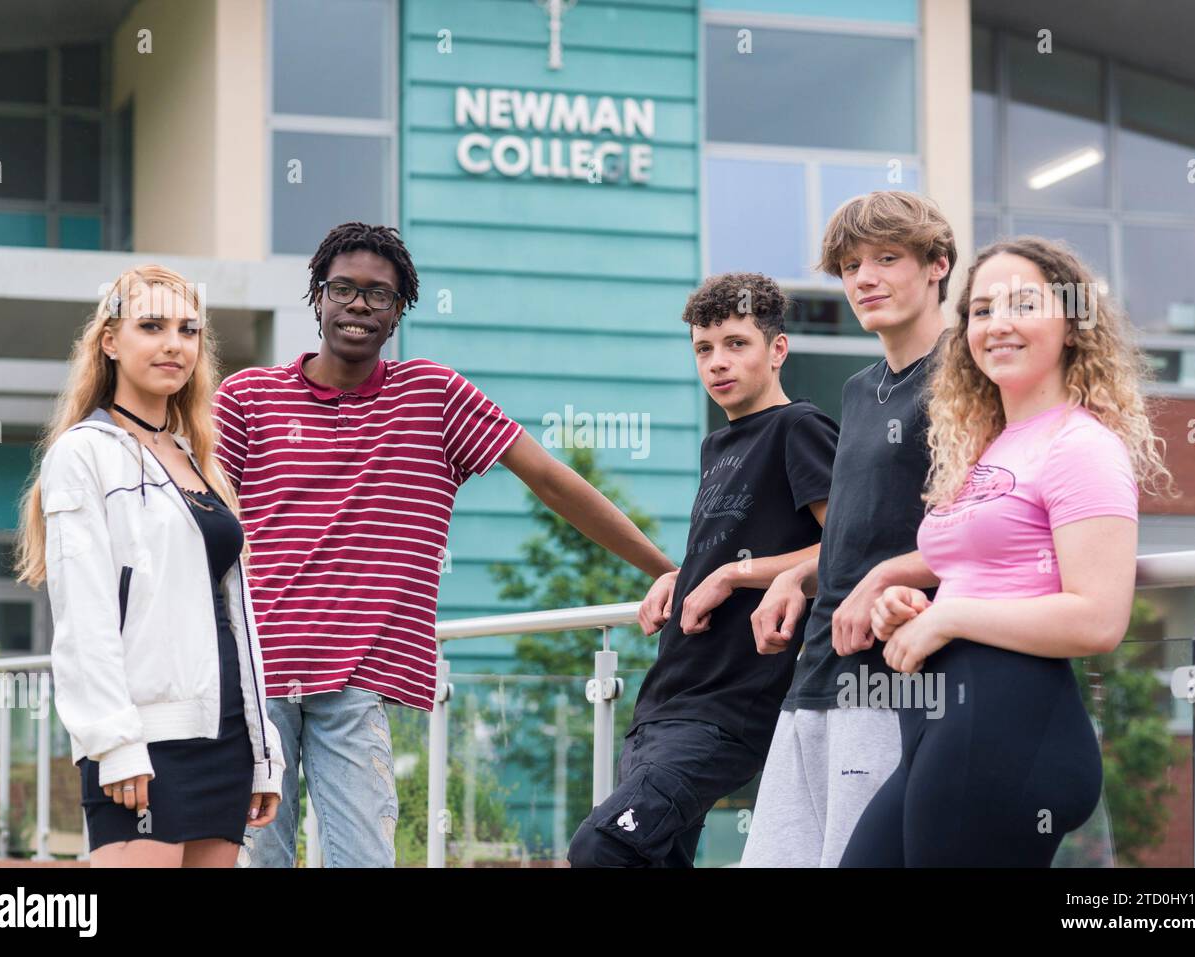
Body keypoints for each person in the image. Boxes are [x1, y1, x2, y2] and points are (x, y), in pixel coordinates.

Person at [218, 222, 676, 868]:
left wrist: (666, 568)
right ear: (317, 296)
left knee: (364, 860)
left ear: (400, 310)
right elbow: (195, 521)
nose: (358, 304)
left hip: (355, 681)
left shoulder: (433, 395)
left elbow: (550, 478)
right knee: (255, 860)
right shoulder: (247, 397)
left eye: (379, 295)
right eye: (343, 288)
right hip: (253, 673)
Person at [838, 237, 1177, 867]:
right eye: (984, 309)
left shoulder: (1080, 445)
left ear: (1073, 327)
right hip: (940, 730)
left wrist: (949, 617)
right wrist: (909, 603)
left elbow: (1099, 618)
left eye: (1023, 304)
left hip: (1011, 730)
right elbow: (983, 576)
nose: (998, 324)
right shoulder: (989, 448)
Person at [567, 272, 838, 867]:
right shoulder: (719, 445)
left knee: (602, 847)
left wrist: (731, 577)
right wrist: (684, 574)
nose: (717, 362)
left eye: (737, 344)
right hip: (664, 702)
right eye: (704, 348)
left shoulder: (800, 428)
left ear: (778, 349)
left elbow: (845, 548)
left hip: (727, 709)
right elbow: (737, 540)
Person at [17, 265, 285, 867]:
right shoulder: (84, 454)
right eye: (152, 326)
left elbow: (235, 613)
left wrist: (263, 752)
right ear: (110, 341)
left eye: (189, 329)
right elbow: (83, 616)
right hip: (143, 741)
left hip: (226, 741)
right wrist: (113, 742)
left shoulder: (200, 460)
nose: (174, 343)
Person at [741, 191, 956, 868]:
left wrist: (888, 581)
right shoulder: (860, 387)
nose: (865, 278)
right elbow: (859, 526)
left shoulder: (966, 377)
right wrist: (794, 573)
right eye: (850, 264)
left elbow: (987, 531)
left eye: (888, 258)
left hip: (895, 672)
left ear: (937, 266)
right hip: (814, 669)